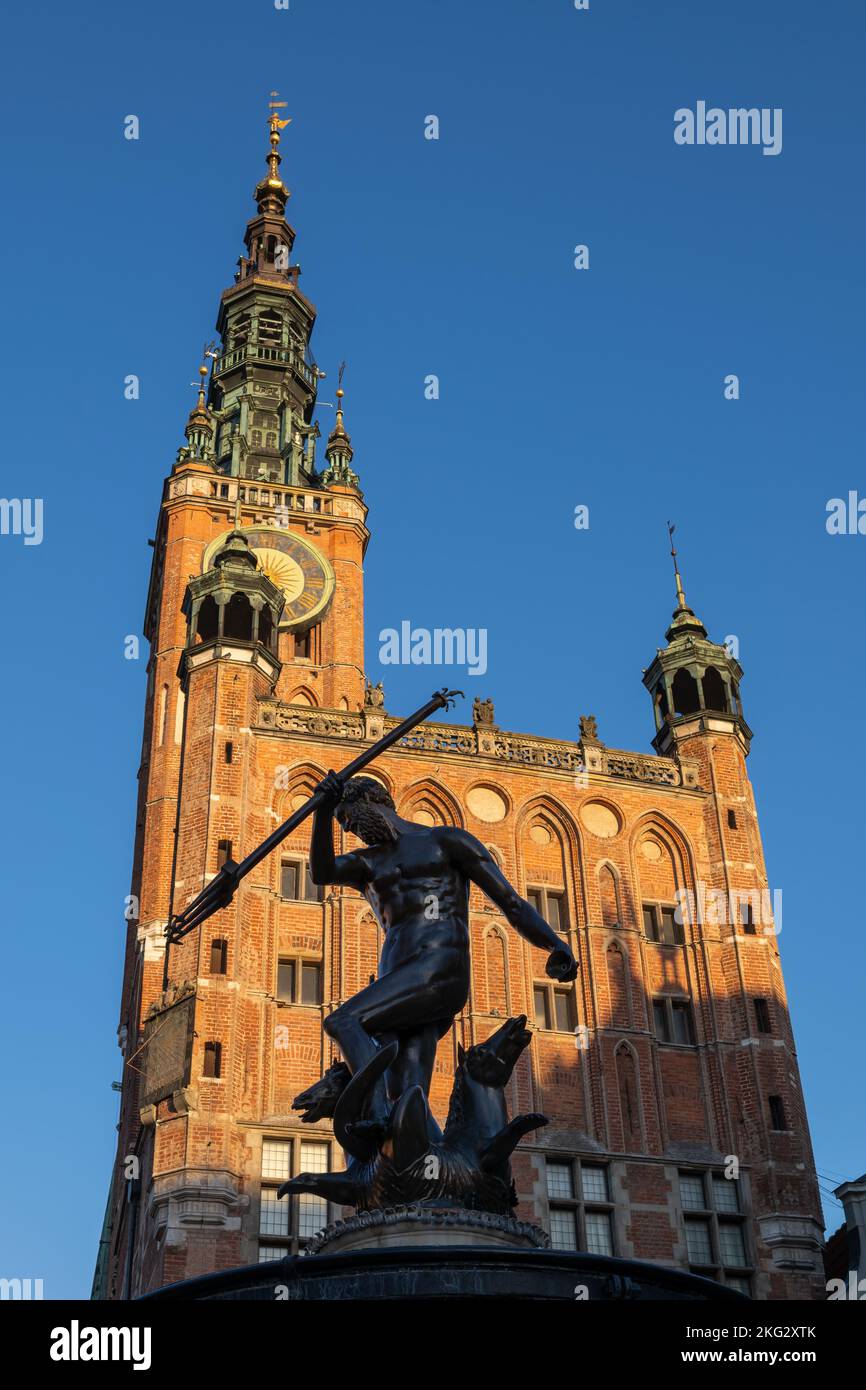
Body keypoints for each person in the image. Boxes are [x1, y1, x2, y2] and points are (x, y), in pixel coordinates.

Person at [309, 771, 578, 1123]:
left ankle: (372, 1113)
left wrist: (554, 943)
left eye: (346, 817)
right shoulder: (367, 864)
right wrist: (322, 811)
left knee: (343, 1021)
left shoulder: (446, 841)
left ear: (371, 801)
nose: (347, 829)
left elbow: (511, 903)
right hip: (398, 978)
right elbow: (322, 872)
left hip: (437, 969)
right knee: (406, 1092)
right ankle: (424, 1160)